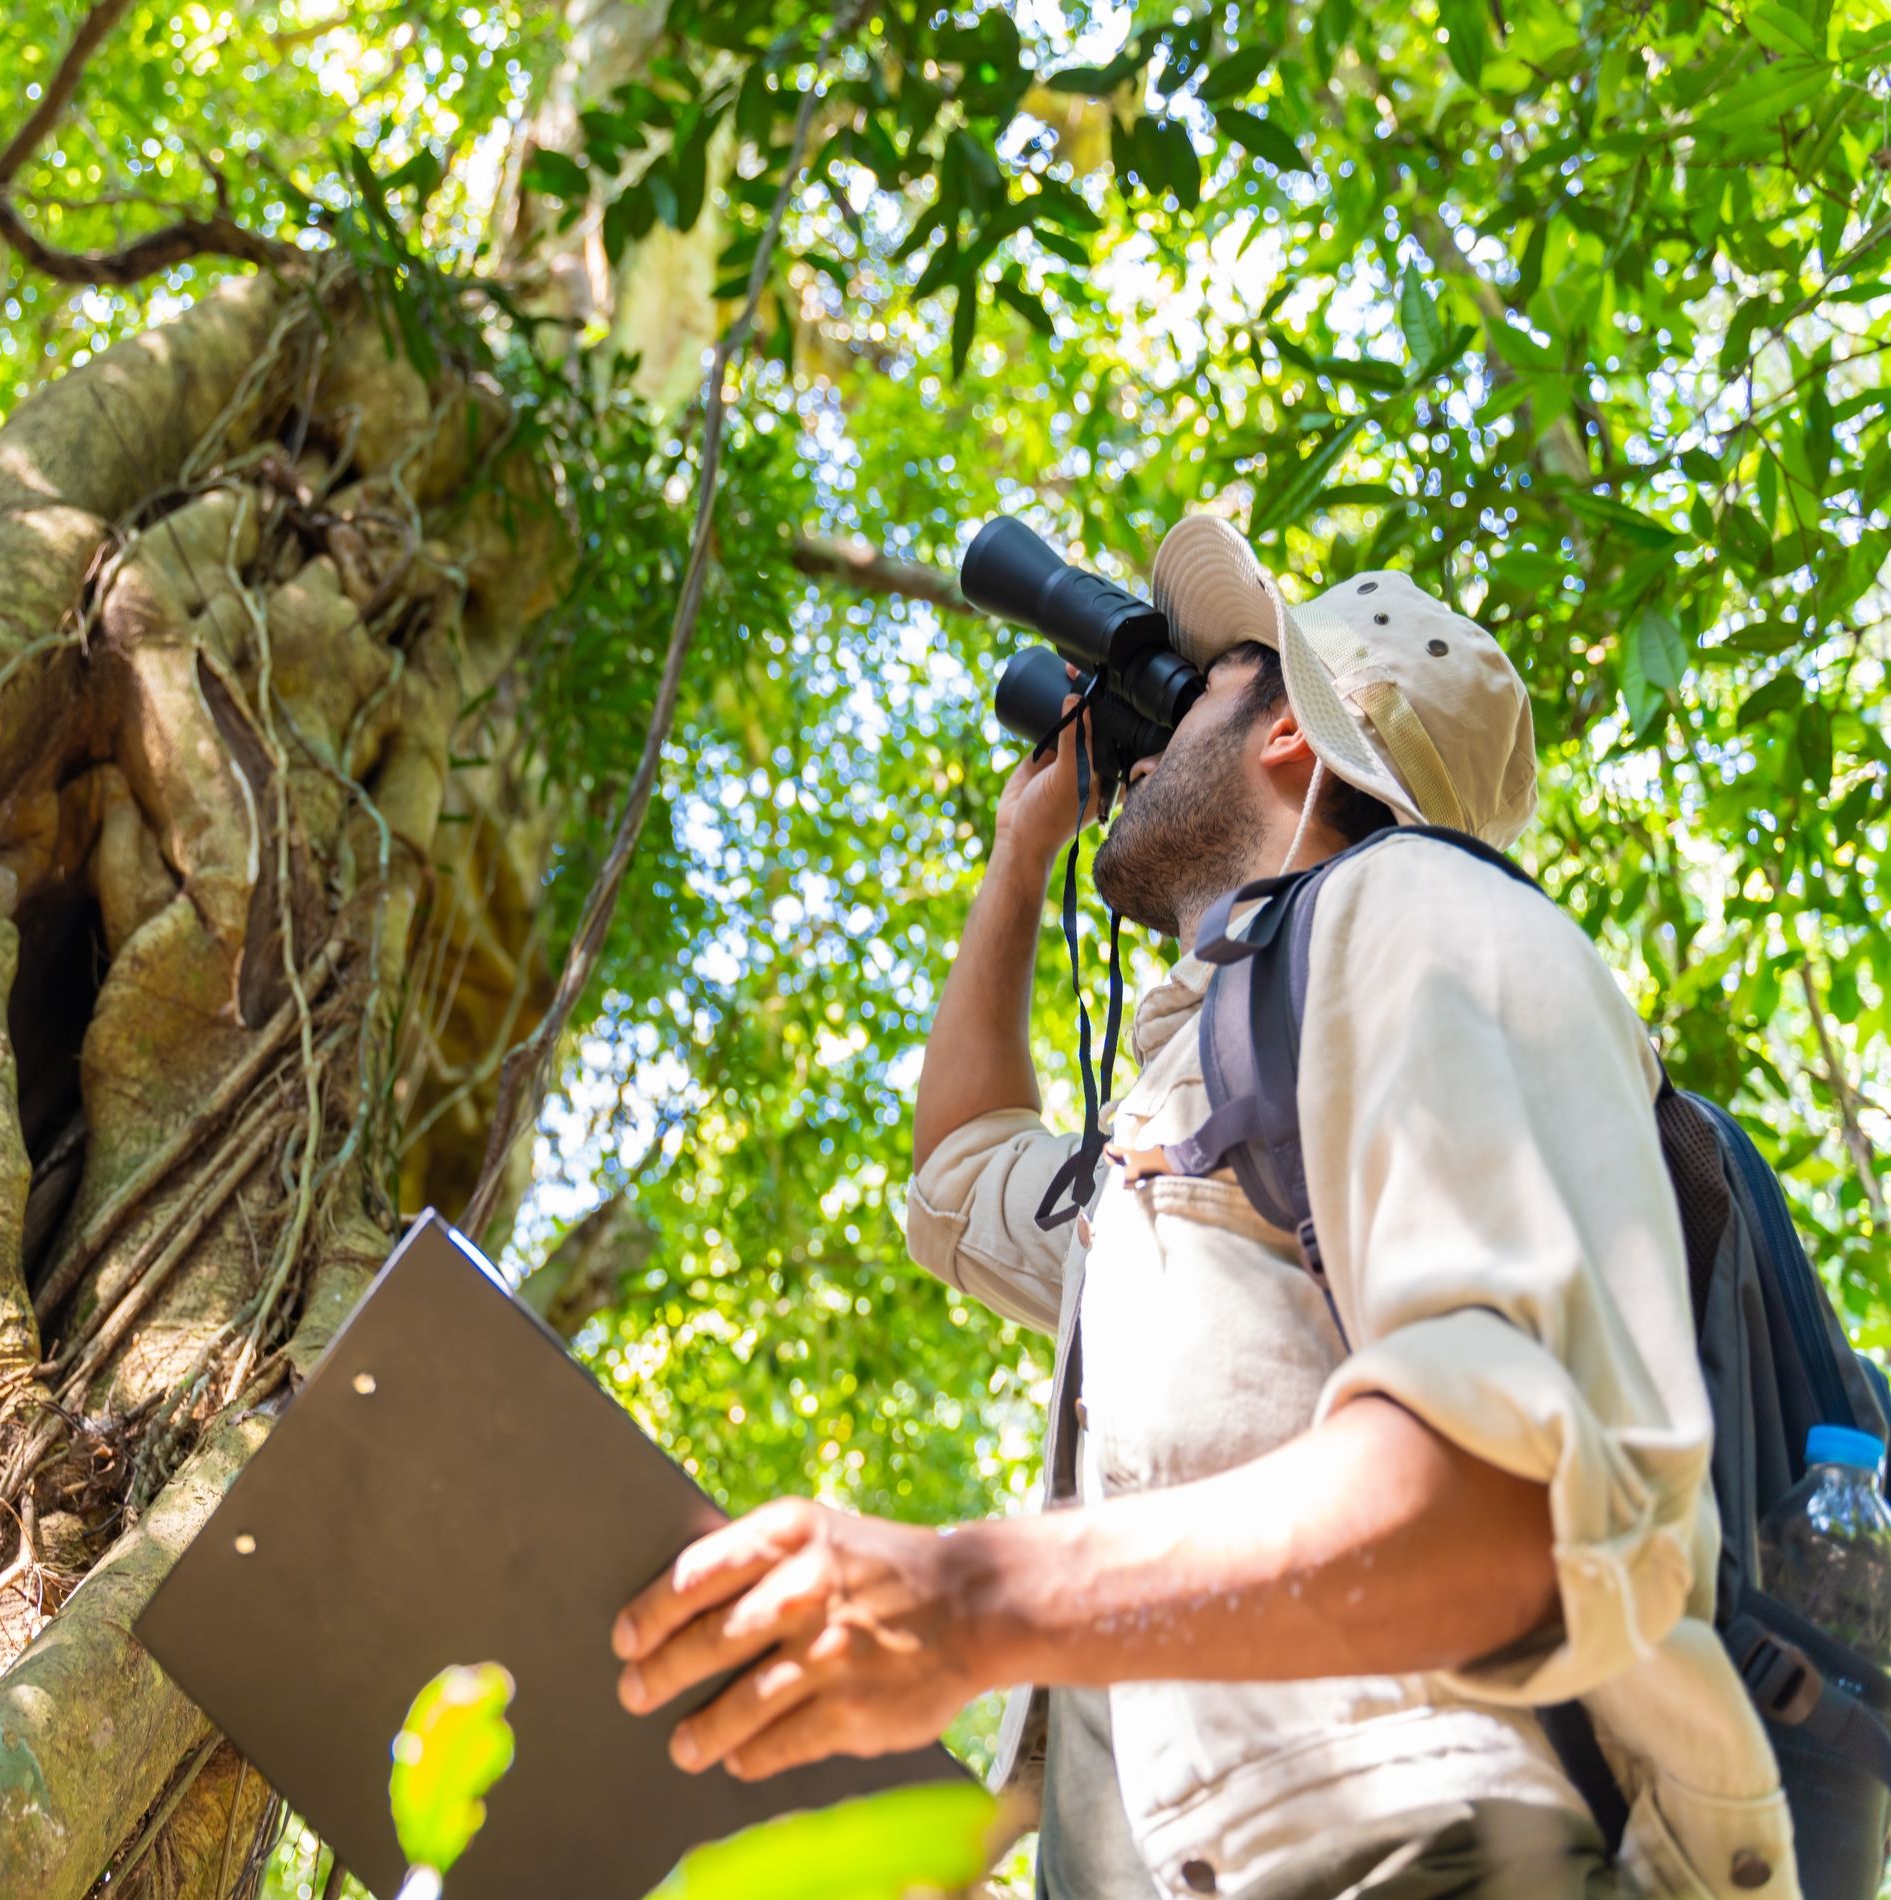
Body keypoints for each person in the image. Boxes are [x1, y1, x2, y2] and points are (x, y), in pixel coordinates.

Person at [610, 515, 1799, 1898]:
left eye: (1210, 684)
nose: (1151, 741)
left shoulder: (1419, 913)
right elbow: (961, 1175)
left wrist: (966, 1603)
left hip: (1427, 1862)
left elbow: (1507, 1504)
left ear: (1290, 732)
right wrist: (1018, 853)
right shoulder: (1218, 1078)